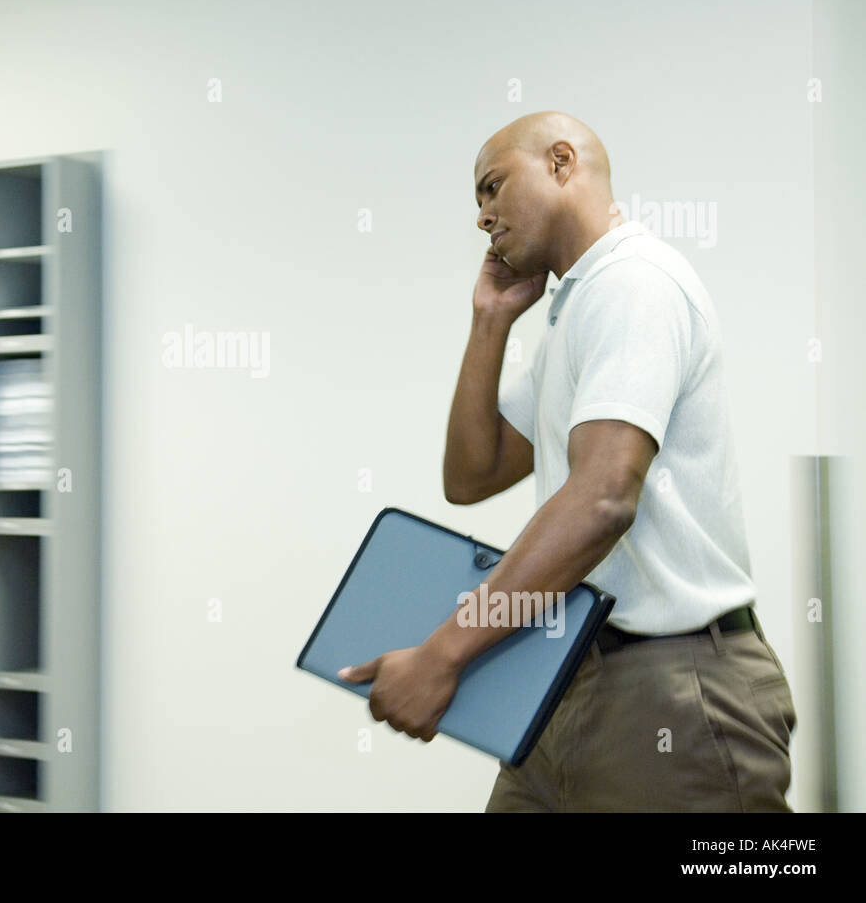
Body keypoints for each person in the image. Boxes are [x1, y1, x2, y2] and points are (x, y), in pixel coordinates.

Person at [340, 111, 797, 811]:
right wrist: (489, 320)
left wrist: (444, 653)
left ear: (560, 163)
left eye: (492, 188)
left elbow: (603, 498)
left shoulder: (633, 284)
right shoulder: (575, 313)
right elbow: (471, 474)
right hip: (566, 679)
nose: (483, 216)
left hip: (669, 687)